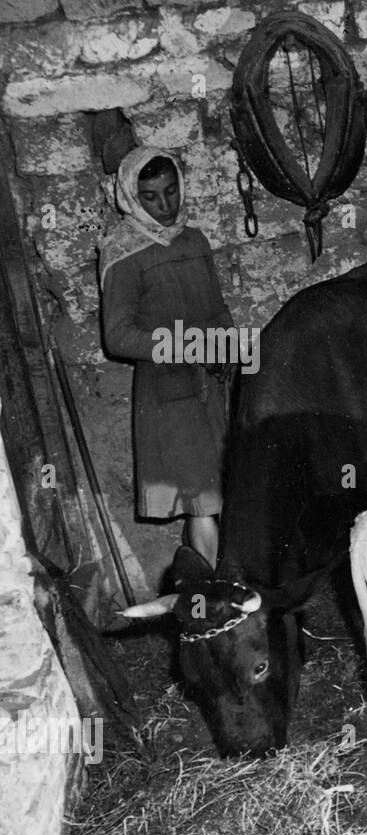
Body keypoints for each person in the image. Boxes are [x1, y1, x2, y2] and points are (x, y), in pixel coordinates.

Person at [99, 146, 231, 568]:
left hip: (210, 384)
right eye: (151, 197)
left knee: (223, 489)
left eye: (171, 191)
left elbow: (216, 307)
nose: (164, 205)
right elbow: (117, 336)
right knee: (202, 501)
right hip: (167, 391)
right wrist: (185, 346)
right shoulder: (125, 254)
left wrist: (226, 347)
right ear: (133, 198)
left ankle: (224, 590)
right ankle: (210, 599)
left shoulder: (195, 240)